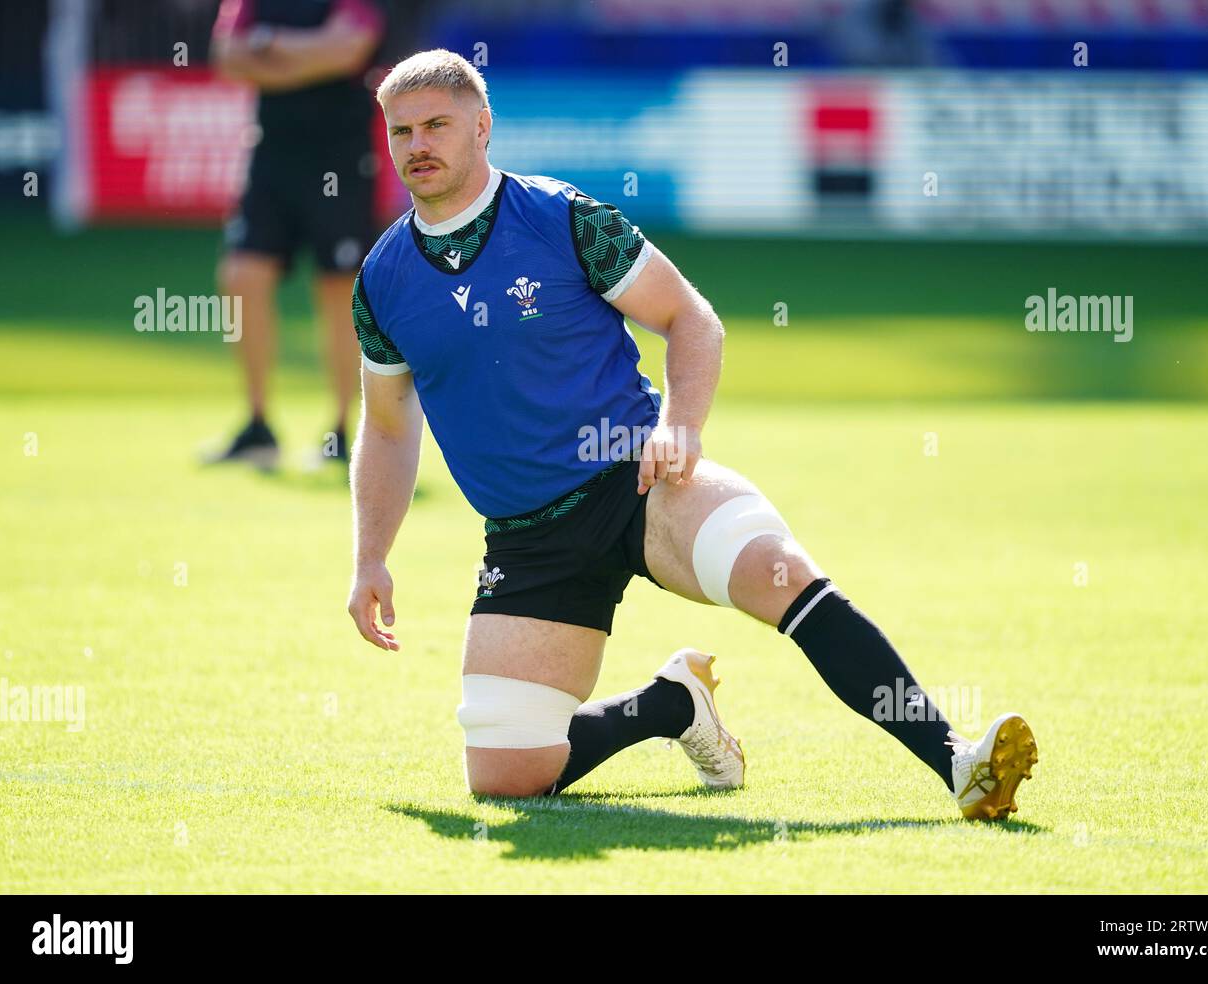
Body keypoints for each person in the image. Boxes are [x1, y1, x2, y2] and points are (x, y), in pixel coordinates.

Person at [347, 50, 1038, 819]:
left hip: (639, 481)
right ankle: (672, 706)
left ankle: (960, 764)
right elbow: (385, 427)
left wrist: (679, 425)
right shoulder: (382, 279)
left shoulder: (563, 218)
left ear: (481, 126)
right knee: (505, 778)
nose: (418, 146)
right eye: (401, 131)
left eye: (436, 125)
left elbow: (690, 318)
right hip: (526, 539)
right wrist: (371, 556)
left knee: (781, 578)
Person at [206, 0, 386, 469]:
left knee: (338, 289)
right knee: (241, 275)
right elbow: (226, 56)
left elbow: (349, 51)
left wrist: (266, 49)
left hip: (341, 157)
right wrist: (309, 56)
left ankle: (345, 432)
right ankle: (258, 425)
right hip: (271, 158)